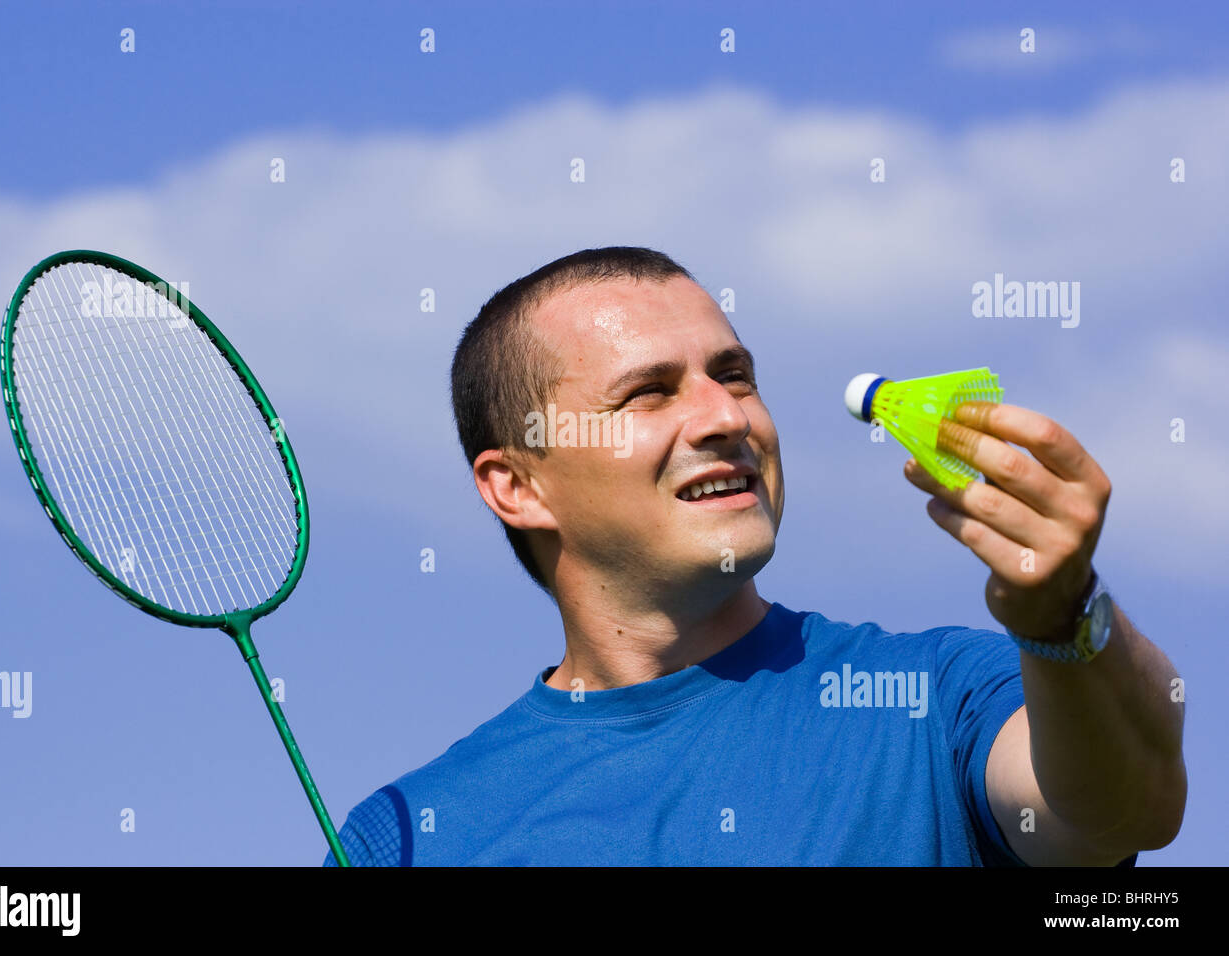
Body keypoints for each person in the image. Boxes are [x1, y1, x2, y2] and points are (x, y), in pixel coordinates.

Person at [326, 247, 1186, 866]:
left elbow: (1123, 814)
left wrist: (1068, 618)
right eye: (650, 393)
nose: (725, 417)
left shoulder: (939, 695)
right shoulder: (405, 837)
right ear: (517, 486)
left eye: (734, 375)